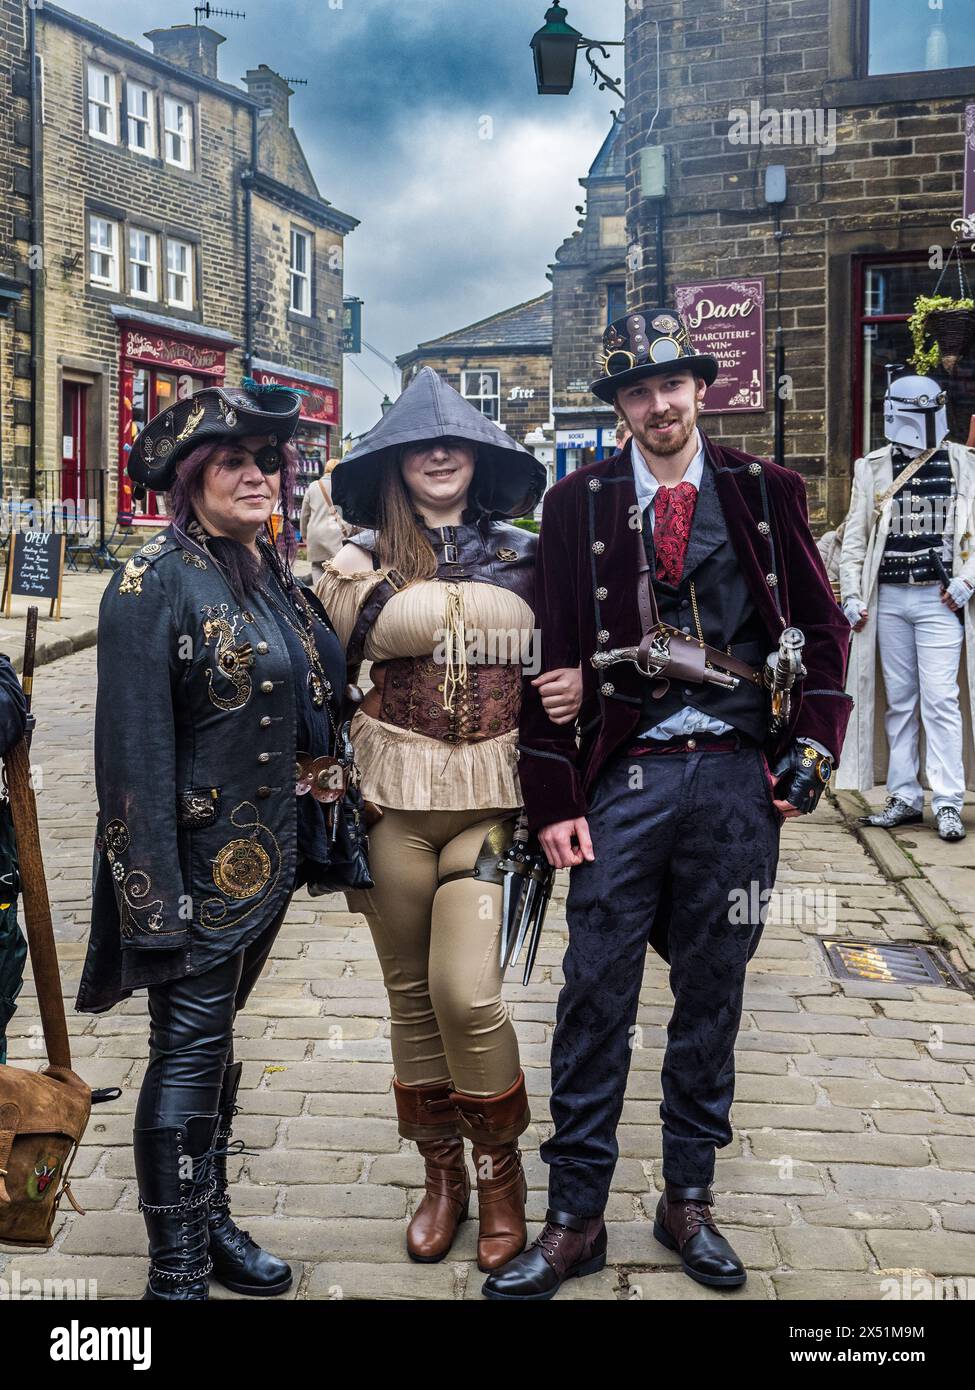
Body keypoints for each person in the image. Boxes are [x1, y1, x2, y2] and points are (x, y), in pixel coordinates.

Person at [483, 306, 852, 1300]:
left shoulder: (765, 492)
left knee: (713, 990)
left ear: (701, 388)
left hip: (737, 772)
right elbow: (552, 653)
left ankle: (688, 1198)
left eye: (670, 386)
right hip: (624, 778)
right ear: (620, 407)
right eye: (636, 392)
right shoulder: (578, 504)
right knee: (593, 988)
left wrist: (814, 742)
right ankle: (575, 1216)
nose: (657, 406)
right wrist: (552, 792)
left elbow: (822, 629)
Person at [75, 383, 367, 1300]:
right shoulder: (149, 581)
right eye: (233, 462)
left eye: (266, 461)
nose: (257, 475)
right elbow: (130, 756)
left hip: (266, 860)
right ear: (190, 479)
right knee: (190, 1046)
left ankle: (209, 1217)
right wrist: (152, 903)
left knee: (212, 1042)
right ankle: (177, 1267)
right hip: (194, 869)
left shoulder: (267, 568)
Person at [319, 367, 581, 1272]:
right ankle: (442, 1177)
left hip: (494, 804)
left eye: (454, 442)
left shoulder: (526, 555)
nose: (438, 453)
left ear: (477, 457)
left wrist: (573, 689)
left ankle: (500, 1176)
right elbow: (319, 682)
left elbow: (571, 661)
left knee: (466, 994)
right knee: (408, 999)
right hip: (391, 801)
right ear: (392, 461)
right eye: (419, 443)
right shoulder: (353, 562)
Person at [838, 371, 975, 841]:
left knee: (941, 700)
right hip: (890, 598)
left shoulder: (963, 462)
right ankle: (903, 795)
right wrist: (852, 594)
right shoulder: (871, 467)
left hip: (940, 599)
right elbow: (855, 538)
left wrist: (967, 581)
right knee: (900, 702)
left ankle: (948, 799)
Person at [300, 457, 348, 585]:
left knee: (317, 566)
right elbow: (347, 511)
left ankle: (319, 599)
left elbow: (304, 514)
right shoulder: (342, 486)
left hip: (315, 534)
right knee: (337, 568)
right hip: (335, 534)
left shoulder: (313, 486)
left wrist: (304, 534)